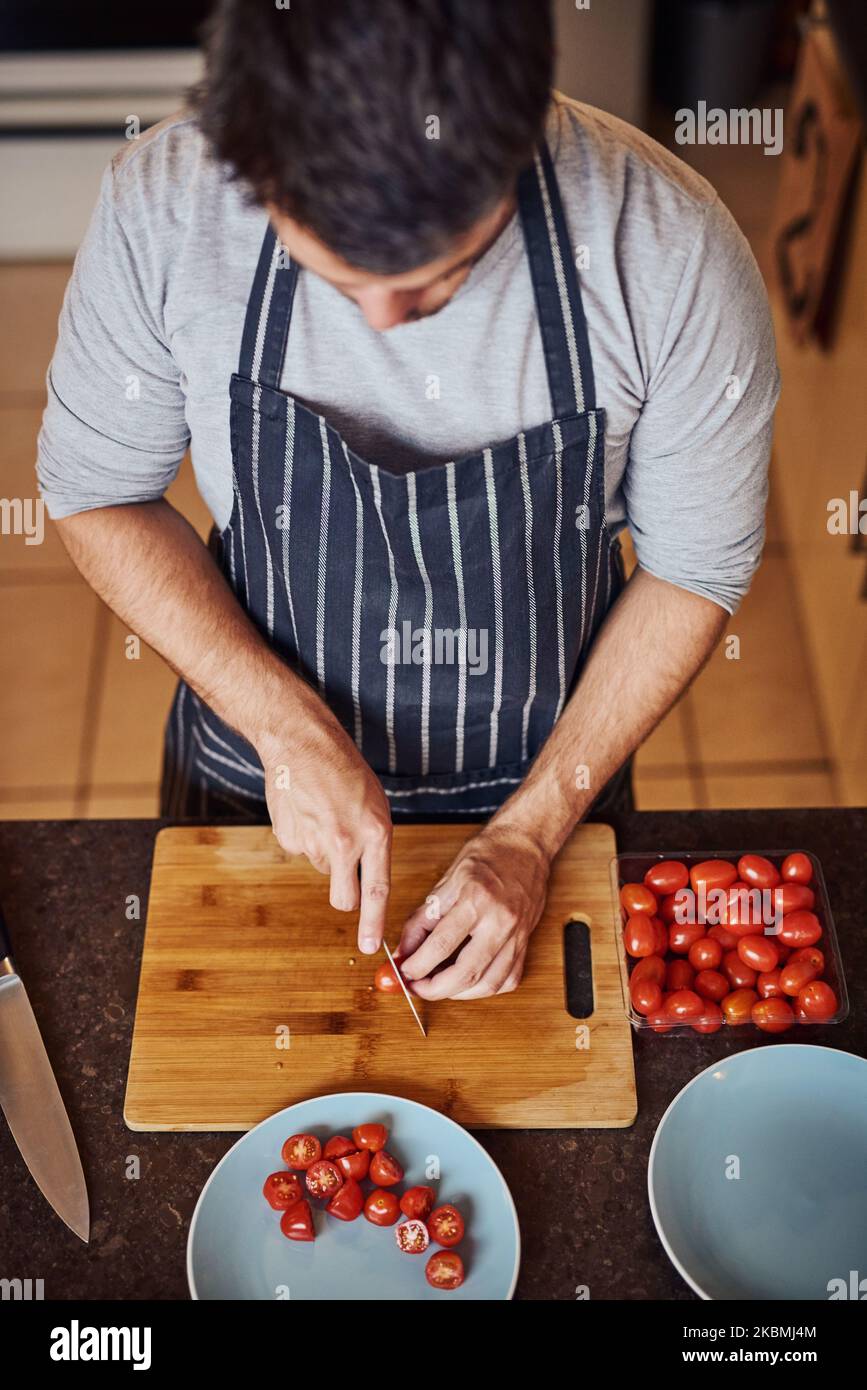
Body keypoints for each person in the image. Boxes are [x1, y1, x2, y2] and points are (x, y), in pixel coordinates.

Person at [38, 0, 779, 1000]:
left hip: (550, 778)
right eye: (333, 274)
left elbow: (697, 566)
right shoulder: (163, 206)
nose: (384, 324)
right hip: (252, 775)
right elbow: (97, 496)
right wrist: (282, 725)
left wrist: (529, 830)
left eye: (439, 278)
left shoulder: (671, 252)